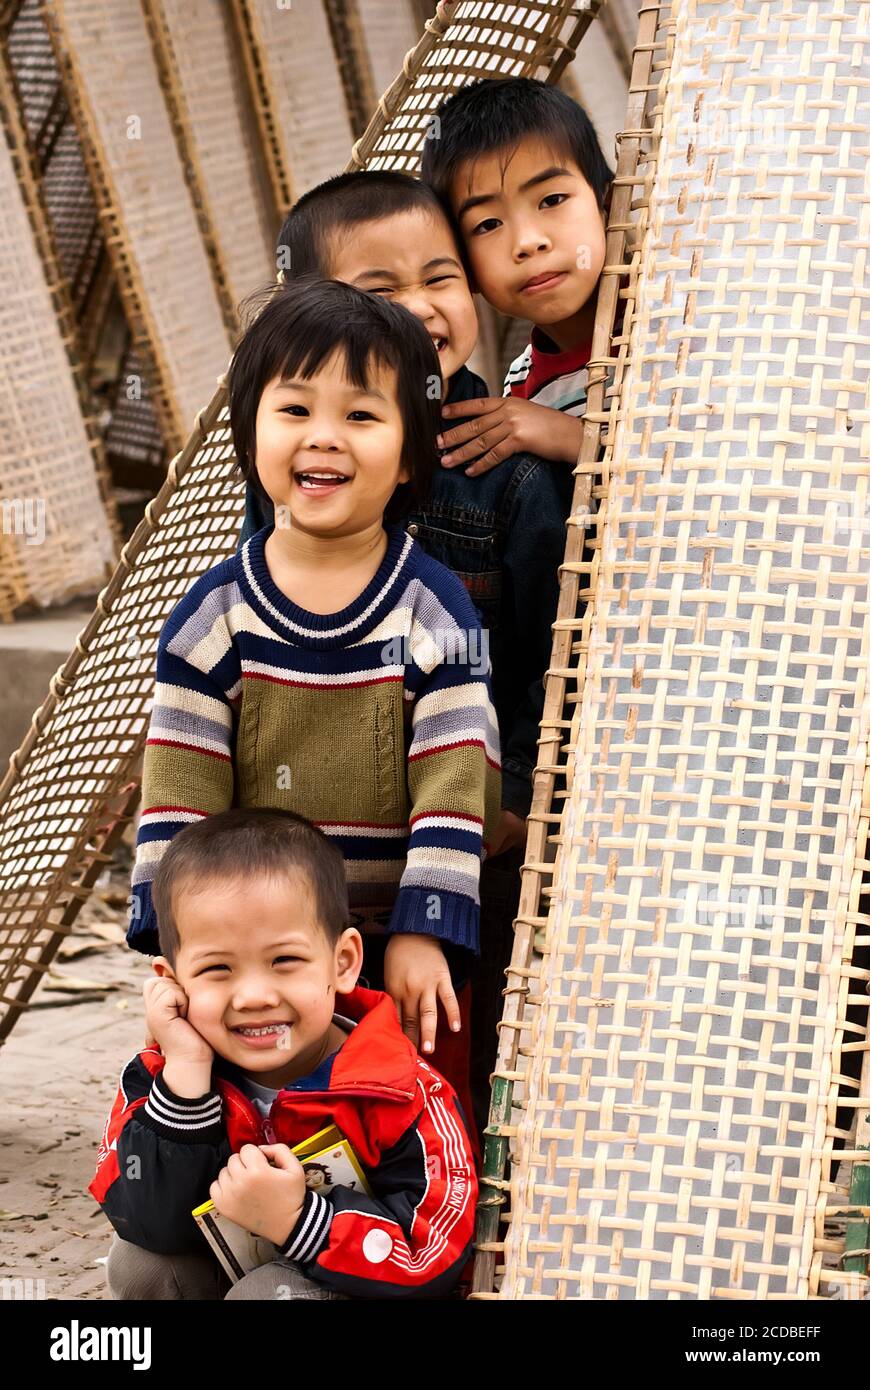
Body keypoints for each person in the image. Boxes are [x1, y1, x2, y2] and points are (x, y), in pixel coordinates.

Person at [239, 170, 572, 1138]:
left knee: (455, 1025)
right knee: (314, 1038)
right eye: (381, 292)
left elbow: (548, 648)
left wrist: (509, 798)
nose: (422, 308)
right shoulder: (299, 458)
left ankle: (438, 1198)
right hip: (323, 831)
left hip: (471, 824)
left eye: (440, 276)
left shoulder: (503, 469)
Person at [127, 277, 501, 1135]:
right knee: (242, 1129)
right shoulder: (212, 617)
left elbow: (459, 783)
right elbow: (177, 792)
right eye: (293, 410)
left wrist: (426, 930)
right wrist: (177, 950)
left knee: (401, 1130)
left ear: (410, 454)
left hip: (393, 951)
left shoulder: (437, 611)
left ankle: (396, 1254)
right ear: (250, 432)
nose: (324, 437)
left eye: (362, 416)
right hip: (256, 961)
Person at [95, 809, 478, 1300]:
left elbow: (435, 1253)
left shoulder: (400, 1090)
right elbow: (143, 1222)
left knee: (272, 1292)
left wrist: (302, 1223)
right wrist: (185, 1079)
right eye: (217, 968)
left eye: (284, 961)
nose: (254, 995)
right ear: (171, 982)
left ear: (342, 964)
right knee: (139, 1266)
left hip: (348, 1284)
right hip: (231, 1268)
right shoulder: (154, 1076)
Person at [421, 76, 615, 476]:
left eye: (552, 200)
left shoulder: (674, 316)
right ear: (463, 269)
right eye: (488, 224)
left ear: (606, 202)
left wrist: (570, 437)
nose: (527, 242)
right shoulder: (519, 395)